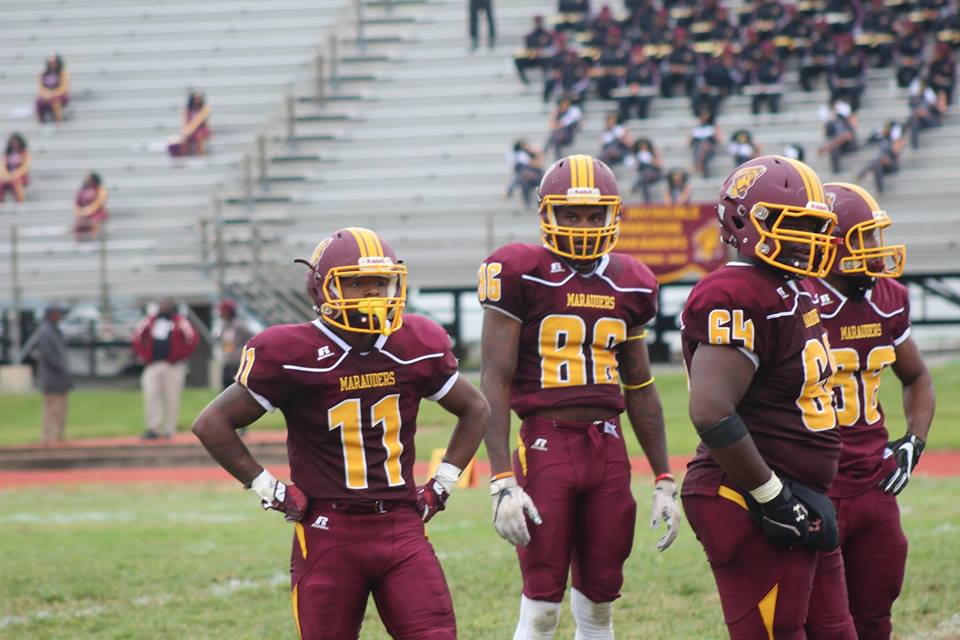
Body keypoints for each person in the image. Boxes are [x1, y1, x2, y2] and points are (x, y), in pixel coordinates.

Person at [192, 227, 489, 640]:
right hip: (328, 531)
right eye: (356, 282)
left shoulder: (415, 342)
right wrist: (269, 489)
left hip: (401, 526)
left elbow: (476, 408)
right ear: (322, 289)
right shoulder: (290, 352)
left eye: (380, 282)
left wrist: (442, 484)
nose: (372, 292)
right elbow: (211, 423)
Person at [479, 154, 681, 639]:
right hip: (546, 443)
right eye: (570, 214)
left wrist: (664, 478)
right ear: (547, 213)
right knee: (542, 601)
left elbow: (640, 385)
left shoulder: (632, 280)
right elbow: (495, 379)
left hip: (608, 447)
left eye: (594, 215)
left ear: (614, 215)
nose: (583, 226)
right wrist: (502, 479)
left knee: (601, 598)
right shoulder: (520, 270)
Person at [680, 155, 852, 639]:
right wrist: (774, 497)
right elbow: (711, 410)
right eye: (792, 223)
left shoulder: (790, 286)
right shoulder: (736, 291)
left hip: (797, 489)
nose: (807, 238)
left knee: (835, 631)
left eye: (813, 226)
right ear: (742, 222)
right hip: (749, 494)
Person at [805, 182, 935, 639]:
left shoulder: (887, 298)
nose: (877, 251)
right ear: (829, 247)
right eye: (864, 239)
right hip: (815, 482)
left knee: (876, 610)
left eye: (876, 237)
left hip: (874, 480)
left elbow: (917, 378)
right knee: (821, 621)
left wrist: (913, 442)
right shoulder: (798, 300)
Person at [132, 299, 200, 439]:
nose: (163, 307)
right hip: (153, 364)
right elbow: (137, 337)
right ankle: (153, 428)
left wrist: (180, 356)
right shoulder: (150, 321)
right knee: (151, 396)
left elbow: (192, 338)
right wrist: (145, 355)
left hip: (173, 366)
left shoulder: (180, 321)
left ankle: (169, 429)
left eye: (166, 305)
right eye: (161, 305)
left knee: (172, 397)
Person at [34, 306, 74, 445]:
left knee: (61, 408)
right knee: (52, 408)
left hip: (60, 377)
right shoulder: (45, 332)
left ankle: (58, 435)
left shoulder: (55, 330)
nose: (60, 317)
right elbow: (49, 356)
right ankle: (49, 437)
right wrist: (63, 368)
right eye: (58, 314)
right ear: (51, 315)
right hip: (52, 377)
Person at [216, 299, 254, 390]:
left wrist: (242, 353)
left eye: (222, 311)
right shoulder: (225, 326)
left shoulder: (239, 325)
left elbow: (252, 339)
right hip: (228, 361)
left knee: (236, 388)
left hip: (237, 363)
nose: (220, 314)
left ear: (228, 312)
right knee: (225, 389)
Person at [857, 120, 905, 192]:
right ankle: (880, 190)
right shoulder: (884, 139)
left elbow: (896, 152)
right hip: (882, 164)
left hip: (893, 164)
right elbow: (869, 141)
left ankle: (864, 172)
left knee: (878, 161)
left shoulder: (896, 139)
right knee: (877, 166)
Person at [819, 100, 858, 173]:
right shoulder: (833, 122)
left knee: (834, 147)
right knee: (834, 148)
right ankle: (836, 170)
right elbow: (827, 134)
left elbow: (846, 136)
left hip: (848, 145)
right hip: (839, 145)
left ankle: (837, 171)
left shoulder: (847, 121)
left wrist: (827, 147)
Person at [515, 16, 555, 84]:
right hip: (533, 57)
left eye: (539, 22)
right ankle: (523, 78)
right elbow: (527, 49)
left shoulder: (548, 35)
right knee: (518, 59)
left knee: (547, 58)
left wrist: (542, 51)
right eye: (537, 22)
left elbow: (552, 48)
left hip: (544, 58)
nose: (538, 24)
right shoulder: (530, 36)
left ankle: (546, 75)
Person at [170, 91, 211, 157]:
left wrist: (189, 130)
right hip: (190, 128)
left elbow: (199, 121)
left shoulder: (204, 108)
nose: (197, 99)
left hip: (201, 129)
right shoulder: (188, 109)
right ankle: (184, 156)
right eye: (196, 98)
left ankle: (201, 155)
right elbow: (185, 120)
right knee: (185, 140)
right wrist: (186, 131)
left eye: (199, 98)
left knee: (199, 137)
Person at [505, 140, 545, 206]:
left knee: (522, 177)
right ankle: (528, 202)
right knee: (523, 180)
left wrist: (530, 162)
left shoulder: (533, 152)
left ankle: (509, 191)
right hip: (526, 178)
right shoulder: (520, 155)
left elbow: (539, 165)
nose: (526, 147)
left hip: (537, 177)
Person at [35, 54, 70, 124]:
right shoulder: (44, 73)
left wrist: (52, 94)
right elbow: (40, 88)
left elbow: (64, 88)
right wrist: (45, 94)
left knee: (56, 102)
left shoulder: (63, 72)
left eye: (54, 62)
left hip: (60, 95)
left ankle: (58, 123)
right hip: (46, 95)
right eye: (51, 63)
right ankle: (41, 123)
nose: (52, 64)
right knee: (38, 102)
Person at [73, 172, 109, 241]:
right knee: (80, 222)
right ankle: (80, 241)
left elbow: (99, 201)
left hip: (96, 213)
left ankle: (94, 240)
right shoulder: (83, 189)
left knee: (94, 221)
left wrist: (88, 211)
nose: (86, 180)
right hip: (83, 213)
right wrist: (79, 212)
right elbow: (76, 203)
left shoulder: (100, 188)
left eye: (89, 179)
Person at [630, 137, 663, 203]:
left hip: (655, 174)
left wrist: (650, 160)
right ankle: (647, 202)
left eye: (644, 146)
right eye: (641, 146)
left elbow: (659, 165)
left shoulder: (653, 153)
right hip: (644, 176)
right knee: (644, 182)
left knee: (646, 174)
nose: (643, 148)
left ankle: (636, 185)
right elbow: (636, 167)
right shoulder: (638, 155)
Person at [1, 134, 32, 204]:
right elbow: (2, 167)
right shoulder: (8, 153)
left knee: (15, 182)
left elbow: (25, 167)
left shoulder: (25, 153)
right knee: (1, 183)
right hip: (8, 176)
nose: (14, 144)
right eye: (13, 143)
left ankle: (20, 203)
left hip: (21, 176)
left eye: (16, 143)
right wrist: (7, 175)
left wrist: (15, 174)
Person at [690, 110, 720, 178]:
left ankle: (697, 164)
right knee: (701, 146)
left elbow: (718, 141)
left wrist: (716, 131)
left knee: (705, 144)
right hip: (698, 149)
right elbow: (689, 143)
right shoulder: (695, 129)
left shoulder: (712, 128)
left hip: (709, 149)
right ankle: (701, 164)